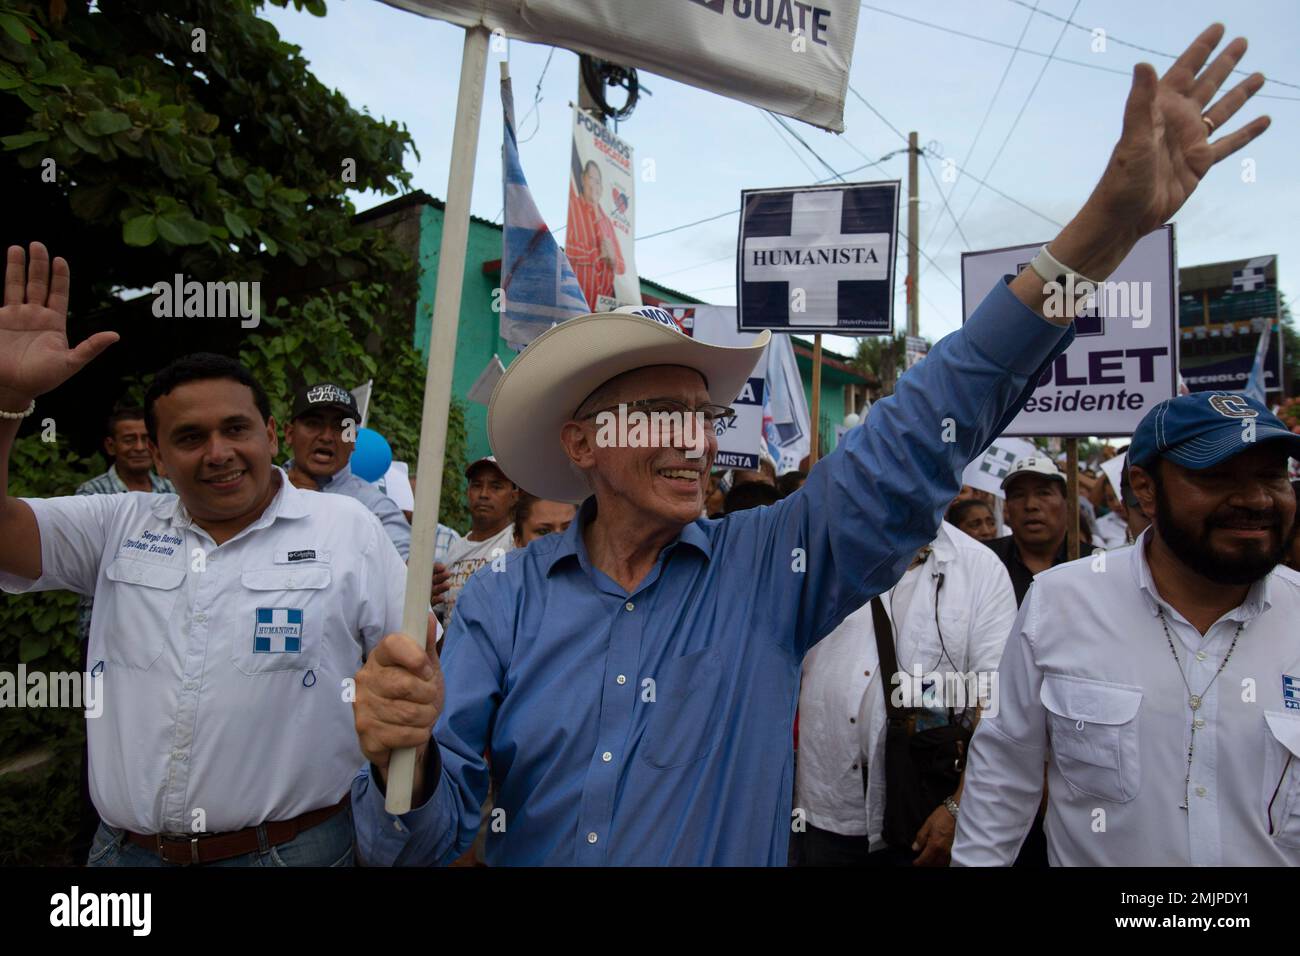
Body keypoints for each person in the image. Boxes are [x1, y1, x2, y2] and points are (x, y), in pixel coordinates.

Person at [349, 23, 1269, 866]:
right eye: (662, 414)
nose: (698, 441)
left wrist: (1103, 234)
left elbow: (941, 410)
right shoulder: (499, 606)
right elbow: (417, 842)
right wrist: (411, 758)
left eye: (703, 416)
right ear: (585, 441)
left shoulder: (768, 567)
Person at [0, 266, 417, 865]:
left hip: (293, 853)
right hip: (125, 856)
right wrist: (10, 400)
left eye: (236, 429)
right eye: (190, 437)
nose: (218, 453)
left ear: (271, 435)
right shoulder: (116, 523)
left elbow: (413, 663)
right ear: (159, 455)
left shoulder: (348, 528)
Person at [953, 391, 1300, 865]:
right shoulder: (1060, 603)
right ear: (1145, 489)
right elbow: (1005, 773)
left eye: (1272, 475)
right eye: (1218, 476)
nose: (1257, 499)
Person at [794, 522, 1016, 866]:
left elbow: (996, 704)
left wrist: (959, 806)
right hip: (825, 805)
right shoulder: (819, 555)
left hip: (925, 815)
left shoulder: (980, 569)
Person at [70, 403, 175, 861]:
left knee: (161, 734)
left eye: (142, 439)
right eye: (126, 439)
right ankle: (97, 838)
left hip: (166, 643)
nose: (135, 447)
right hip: (105, 645)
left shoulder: (172, 489)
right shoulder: (91, 496)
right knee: (104, 745)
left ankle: (163, 827)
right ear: (111, 446)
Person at [283, 382, 411, 561]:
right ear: (289, 433)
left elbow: (406, 561)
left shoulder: (375, 508)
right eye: (313, 424)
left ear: (353, 440)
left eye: (341, 427)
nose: (326, 437)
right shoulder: (262, 488)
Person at [437, 455, 518, 622]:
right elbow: (440, 612)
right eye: (477, 485)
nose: (483, 494)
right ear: (468, 492)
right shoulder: (454, 550)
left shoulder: (516, 544)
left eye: (496, 487)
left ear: (514, 495)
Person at [986, 456, 1071, 606]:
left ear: (1067, 502)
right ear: (1007, 507)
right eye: (1018, 495)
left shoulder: (1095, 561)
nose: (1030, 505)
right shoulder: (984, 561)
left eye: (1043, 493)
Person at [565, 159, 625, 310]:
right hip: (574, 309)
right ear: (582, 179)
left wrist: (613, 260)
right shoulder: (573, 207)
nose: (595, 185)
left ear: (602, 188)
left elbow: (622, 267)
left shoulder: (607, 223)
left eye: (598, 182)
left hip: (600, 314)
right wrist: (595, 254)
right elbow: (568, 251)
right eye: (591, 178)